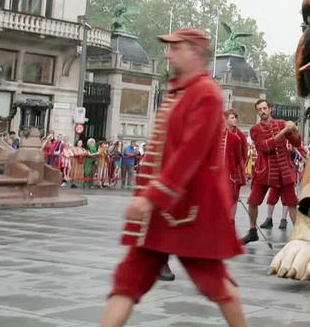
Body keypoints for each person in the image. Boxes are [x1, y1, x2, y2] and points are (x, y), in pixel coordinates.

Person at [100, 28, 246, 327]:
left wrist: (151, 197)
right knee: (127, 280)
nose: (168, 54)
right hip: (160, 214)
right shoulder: (181, 90)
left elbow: (189, 154)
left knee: (215, 283)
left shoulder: (207, 94)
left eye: (175, 48)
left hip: (189, 212)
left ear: (195, 52)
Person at [241, 100, 299, 245]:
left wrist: (294, 129)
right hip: (265, 171)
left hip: (284, 170)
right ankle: (252, 231)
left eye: (265, 108)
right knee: (252, 201)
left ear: (270, 109)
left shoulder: (281, 123)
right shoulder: (255, 129)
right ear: (257, 112)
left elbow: (297, 142)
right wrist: (284, 131)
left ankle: (299, 235)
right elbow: (266, 147)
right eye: (260, 109)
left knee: (292, 203)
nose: (263, 111)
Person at [222, 109, 248, 222]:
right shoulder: (221, 134)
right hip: (223, 170)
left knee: (234, 197)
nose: (235, 120)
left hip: (236, 170)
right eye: (232, 118)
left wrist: (239, 167)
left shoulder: (240, 135)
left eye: (235, 117)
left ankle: (231, 220)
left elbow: (244, 154)